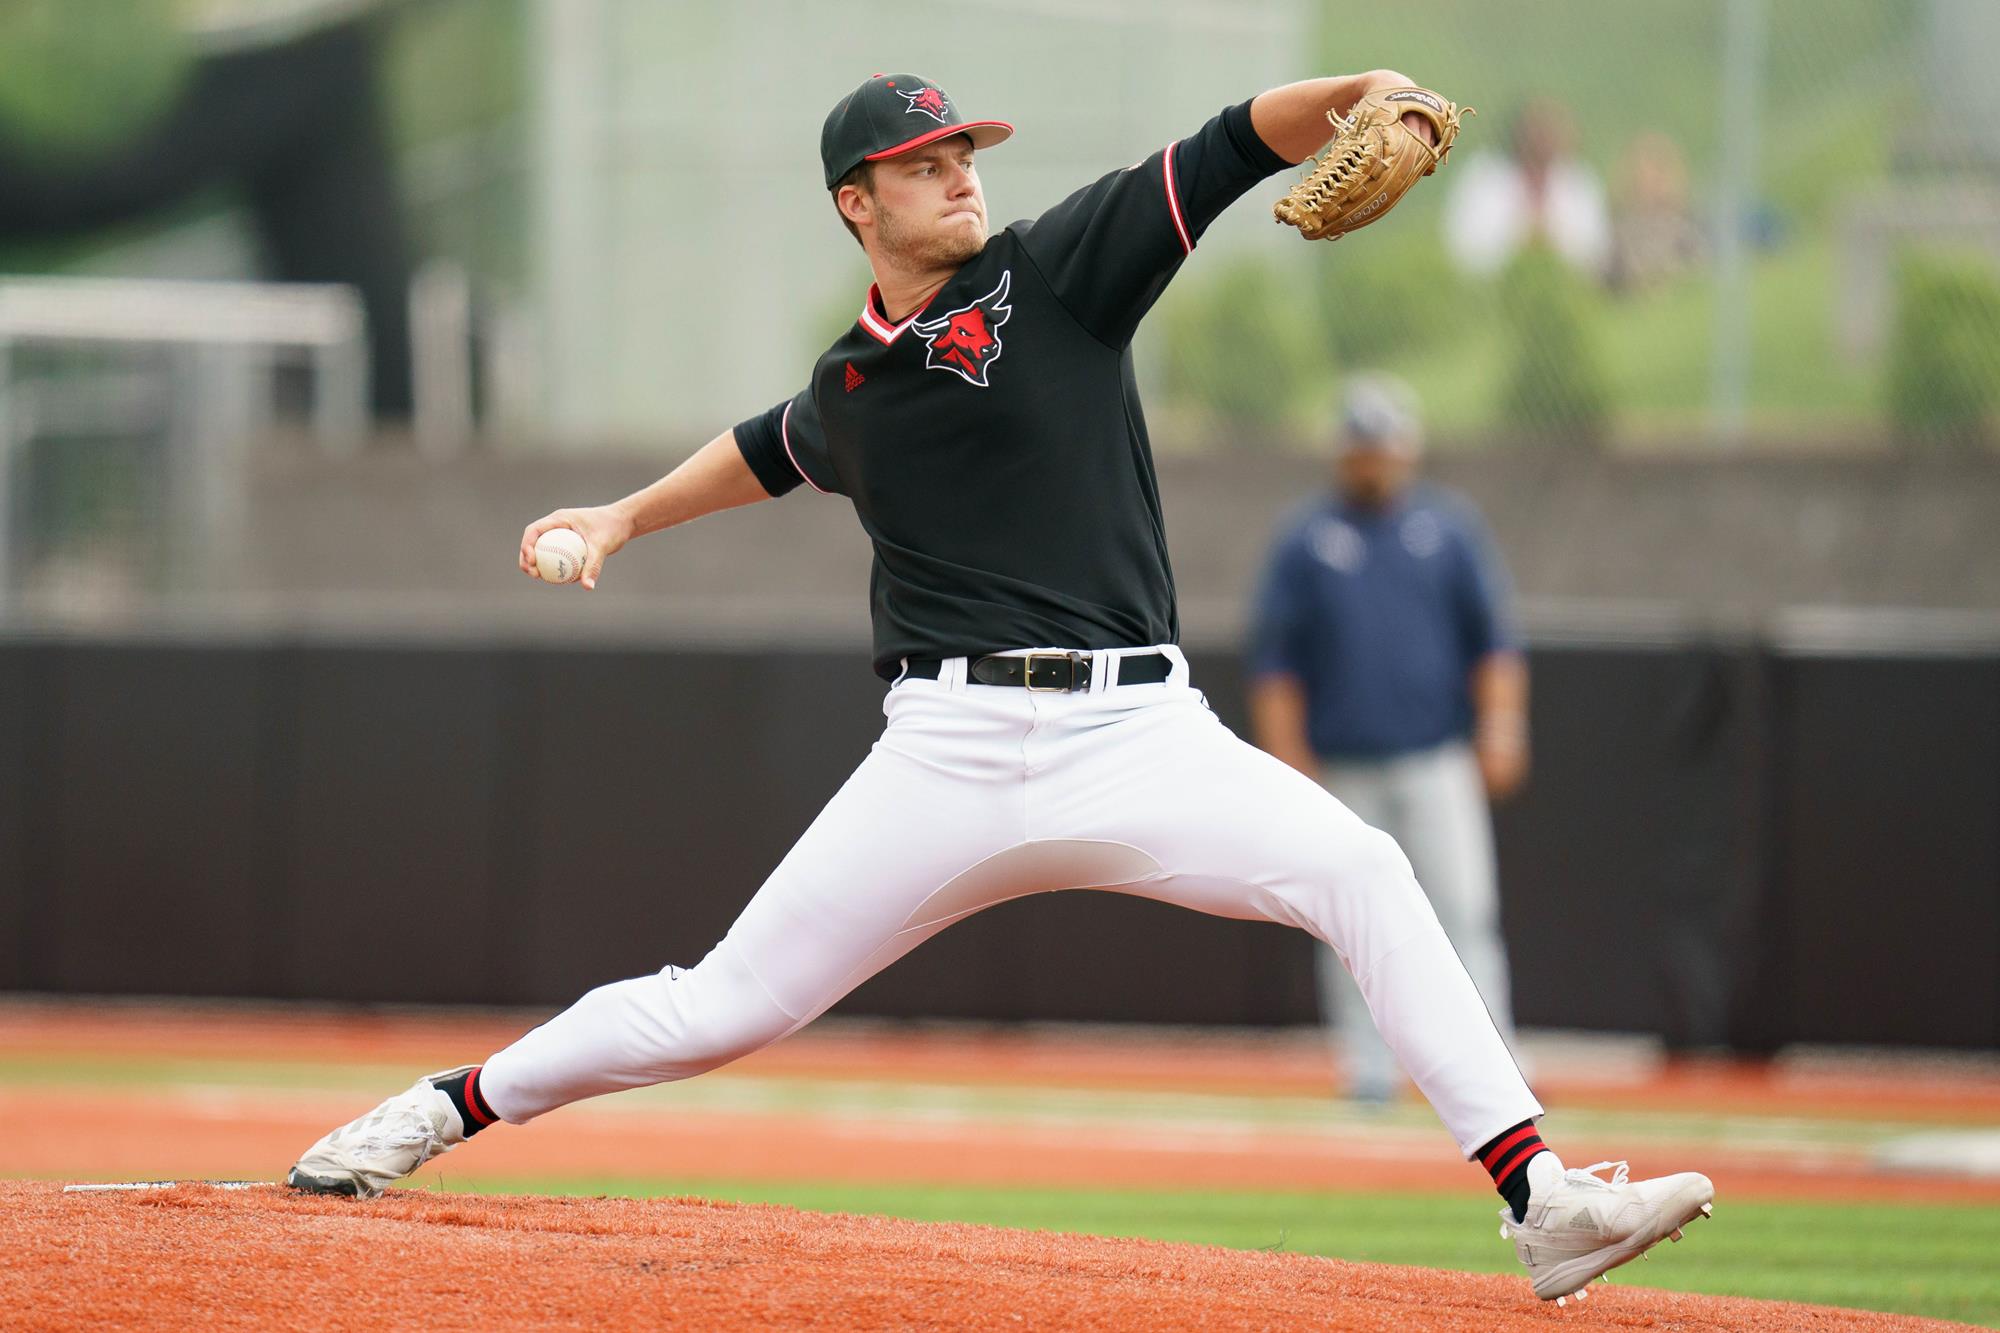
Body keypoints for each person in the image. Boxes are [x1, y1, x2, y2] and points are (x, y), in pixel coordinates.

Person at [286, 71, 1712, 1303]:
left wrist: (1350, 97)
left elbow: (1223, 147)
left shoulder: (1062, 268)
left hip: (1139, 731)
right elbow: (766, 447)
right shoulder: (855, 386)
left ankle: (1543, 1205)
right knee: (719, 1008)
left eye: (967, 153)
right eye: (927, 160)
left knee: (1364, 868)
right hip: (948, 750)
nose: (962, 173)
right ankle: (434, 1109)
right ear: (859, 201)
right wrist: (614, 519)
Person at [1246, 374, 1528, 1107]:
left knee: (1464, 908)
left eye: (1383, 444)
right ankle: (1370, 1073)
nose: (1372, 458)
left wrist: (1501, 727)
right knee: (1349, 922)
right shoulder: (1309, 540)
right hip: (1344, 764)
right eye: (1360, 444)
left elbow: (1494, 644)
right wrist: (1288, 764)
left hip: (1436, 756)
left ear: (1407, 449)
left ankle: (1493, 1070)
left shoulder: (1447, 529)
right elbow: (1275, 663)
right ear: (1343, 452)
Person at [1442, 96, 1610, 281]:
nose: (1545, 139)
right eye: (1539, 131)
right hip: (1494, 285)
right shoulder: (1485, 178)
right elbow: (1465, 246)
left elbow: (1595, 250)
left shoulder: (1580, 184)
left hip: (1566, 286)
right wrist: (1523, 237)